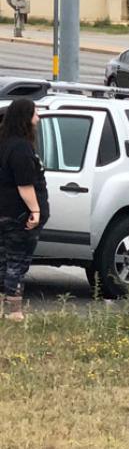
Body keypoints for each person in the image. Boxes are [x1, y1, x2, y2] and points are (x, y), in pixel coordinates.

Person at [0, 99, 47, 321]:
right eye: (34, 113)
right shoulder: (21, 147)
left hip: (4, 212)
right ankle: (15, 312)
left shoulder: (4, 143)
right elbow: (24, 185)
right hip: (19, 215)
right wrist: (36, 211)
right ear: (24, 118)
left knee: (2, 260)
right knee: (17, 262)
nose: (37, 117)